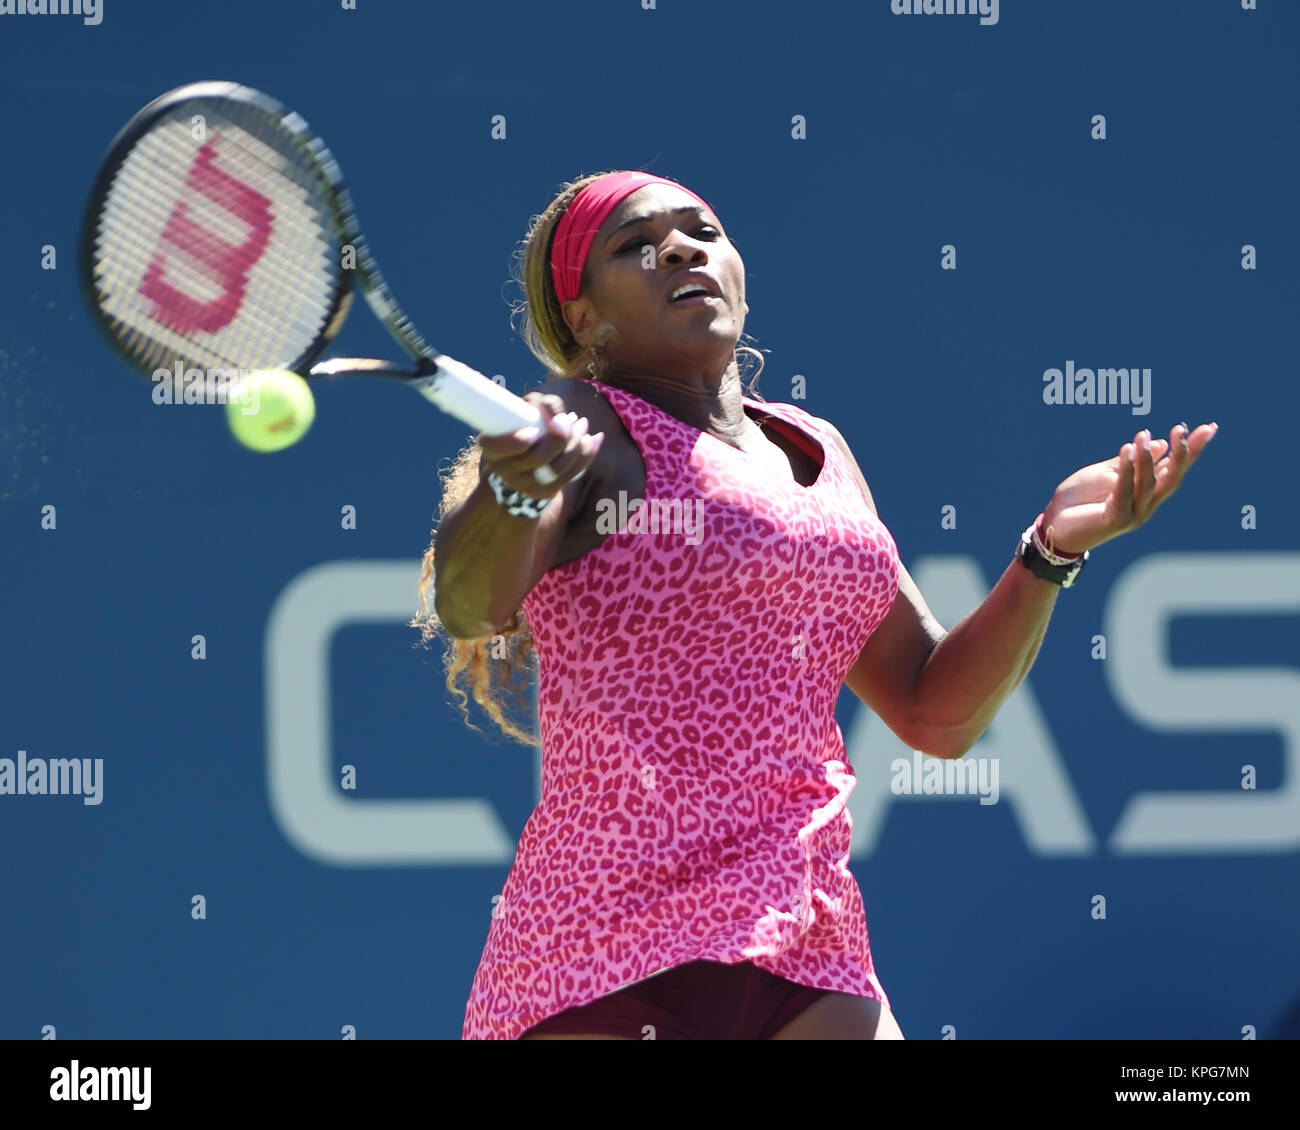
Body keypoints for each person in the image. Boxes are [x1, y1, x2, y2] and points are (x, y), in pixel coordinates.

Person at [414, 169, 1216, 1040]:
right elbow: (467, 603)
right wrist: (517, 491)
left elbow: (932, 711)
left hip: (808, 935)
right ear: (584, 315)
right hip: (607, 955)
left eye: (702, 230)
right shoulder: (578, 421)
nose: (681, 248)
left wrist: (1051, 549)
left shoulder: (818, 449)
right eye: (635, 244)